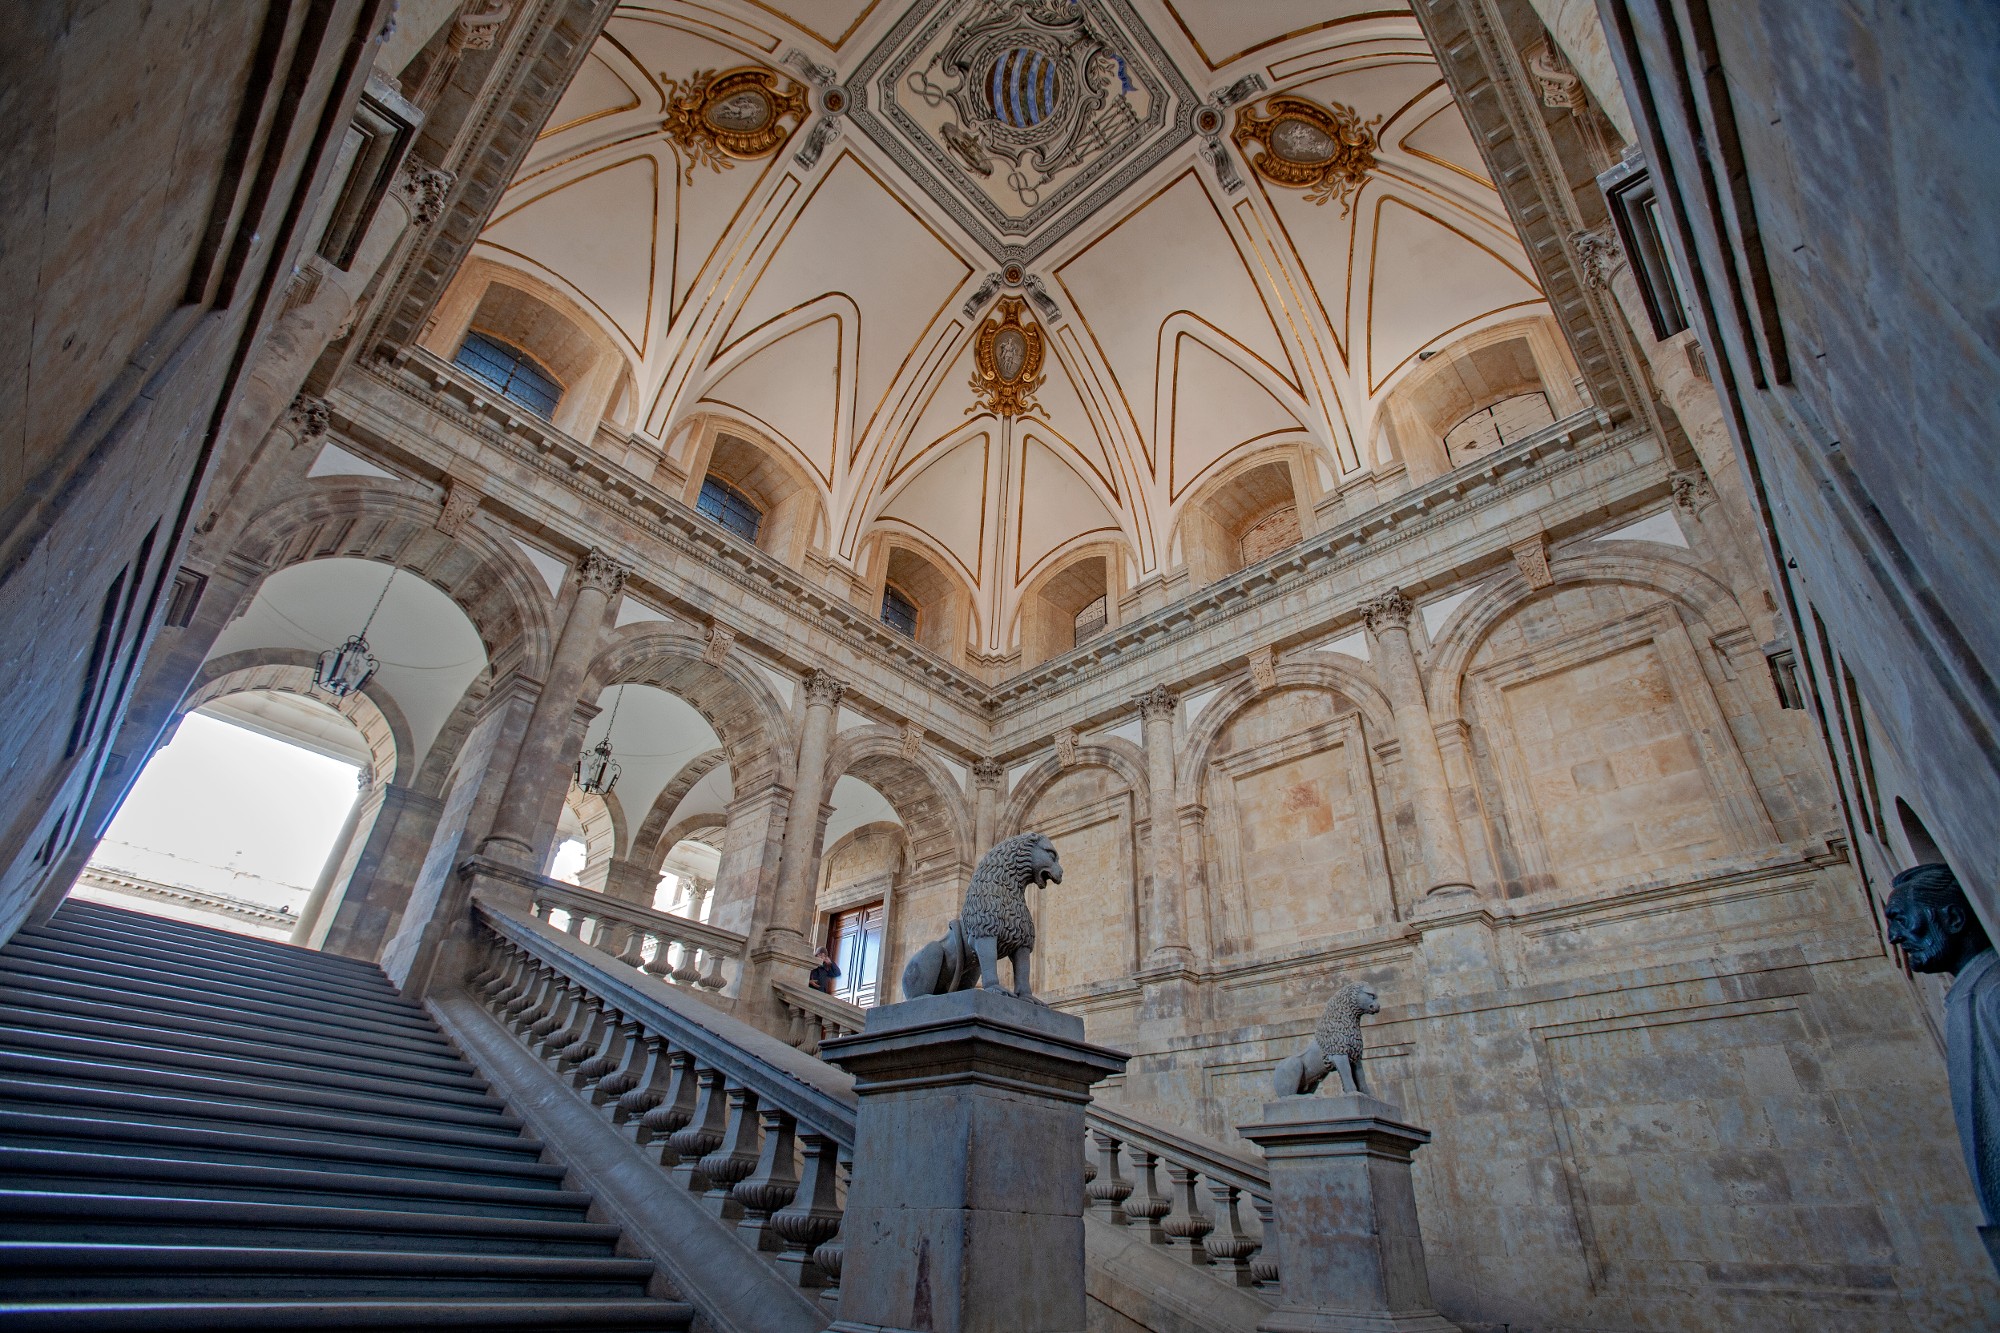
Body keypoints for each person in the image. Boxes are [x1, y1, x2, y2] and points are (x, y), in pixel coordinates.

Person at [1884, 862, 2000, 1269]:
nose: (1895, 937)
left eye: (1901, 920)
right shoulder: (1965, 998)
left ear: (1952, 917)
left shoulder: (1991, 994)